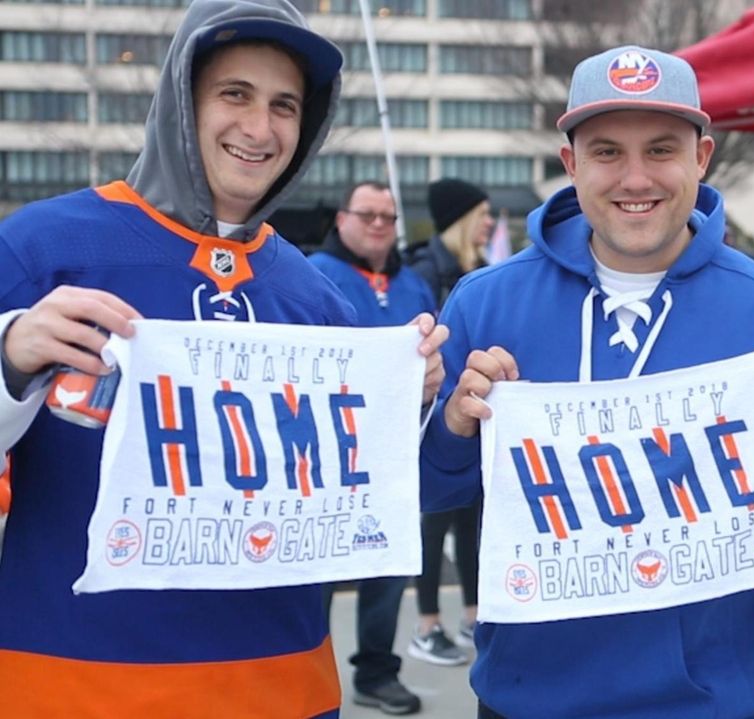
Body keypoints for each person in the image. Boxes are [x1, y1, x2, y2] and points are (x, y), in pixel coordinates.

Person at [419, 45, 754, 719]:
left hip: (715, 704)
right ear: (572, 164)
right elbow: (431, 493)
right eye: (608, 151)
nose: (636, 177)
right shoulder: (485, 304)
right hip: (527, 700)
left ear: (701, 158)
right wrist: (451, 428)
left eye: (662, 149)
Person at [0, 2, 448, 716]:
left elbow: (357, 500)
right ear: (181, 99)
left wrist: (410, 405)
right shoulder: (43, 249)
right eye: (233, 94)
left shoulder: (316, 295)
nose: (259, 128)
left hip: (285, 688)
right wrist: (9, 362)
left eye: (284, 105)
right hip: (72, 686)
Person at [311, 180, 436, 714]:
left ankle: (377, 671)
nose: (380, 224)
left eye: (388, 215)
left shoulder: (414, 286)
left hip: (393, 452)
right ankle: (304, 667)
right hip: (321, 454)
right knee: (311, 576)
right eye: (368, 214)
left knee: (387, 570)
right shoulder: (314, 273)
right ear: (342, 218)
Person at [404, 178, 490, 668]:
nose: (489, 223)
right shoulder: (426, 269)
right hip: (437, 409)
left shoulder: (476, 268)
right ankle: (427, 622)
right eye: (481, 213)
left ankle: (471, 614)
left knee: (470, 519)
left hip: (474, 410)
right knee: (434, 524)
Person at [409, 178, 495, 302]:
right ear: (462, 222)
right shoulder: (425, 273)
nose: (490, 222)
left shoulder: (482, 268)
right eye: (482, 214)